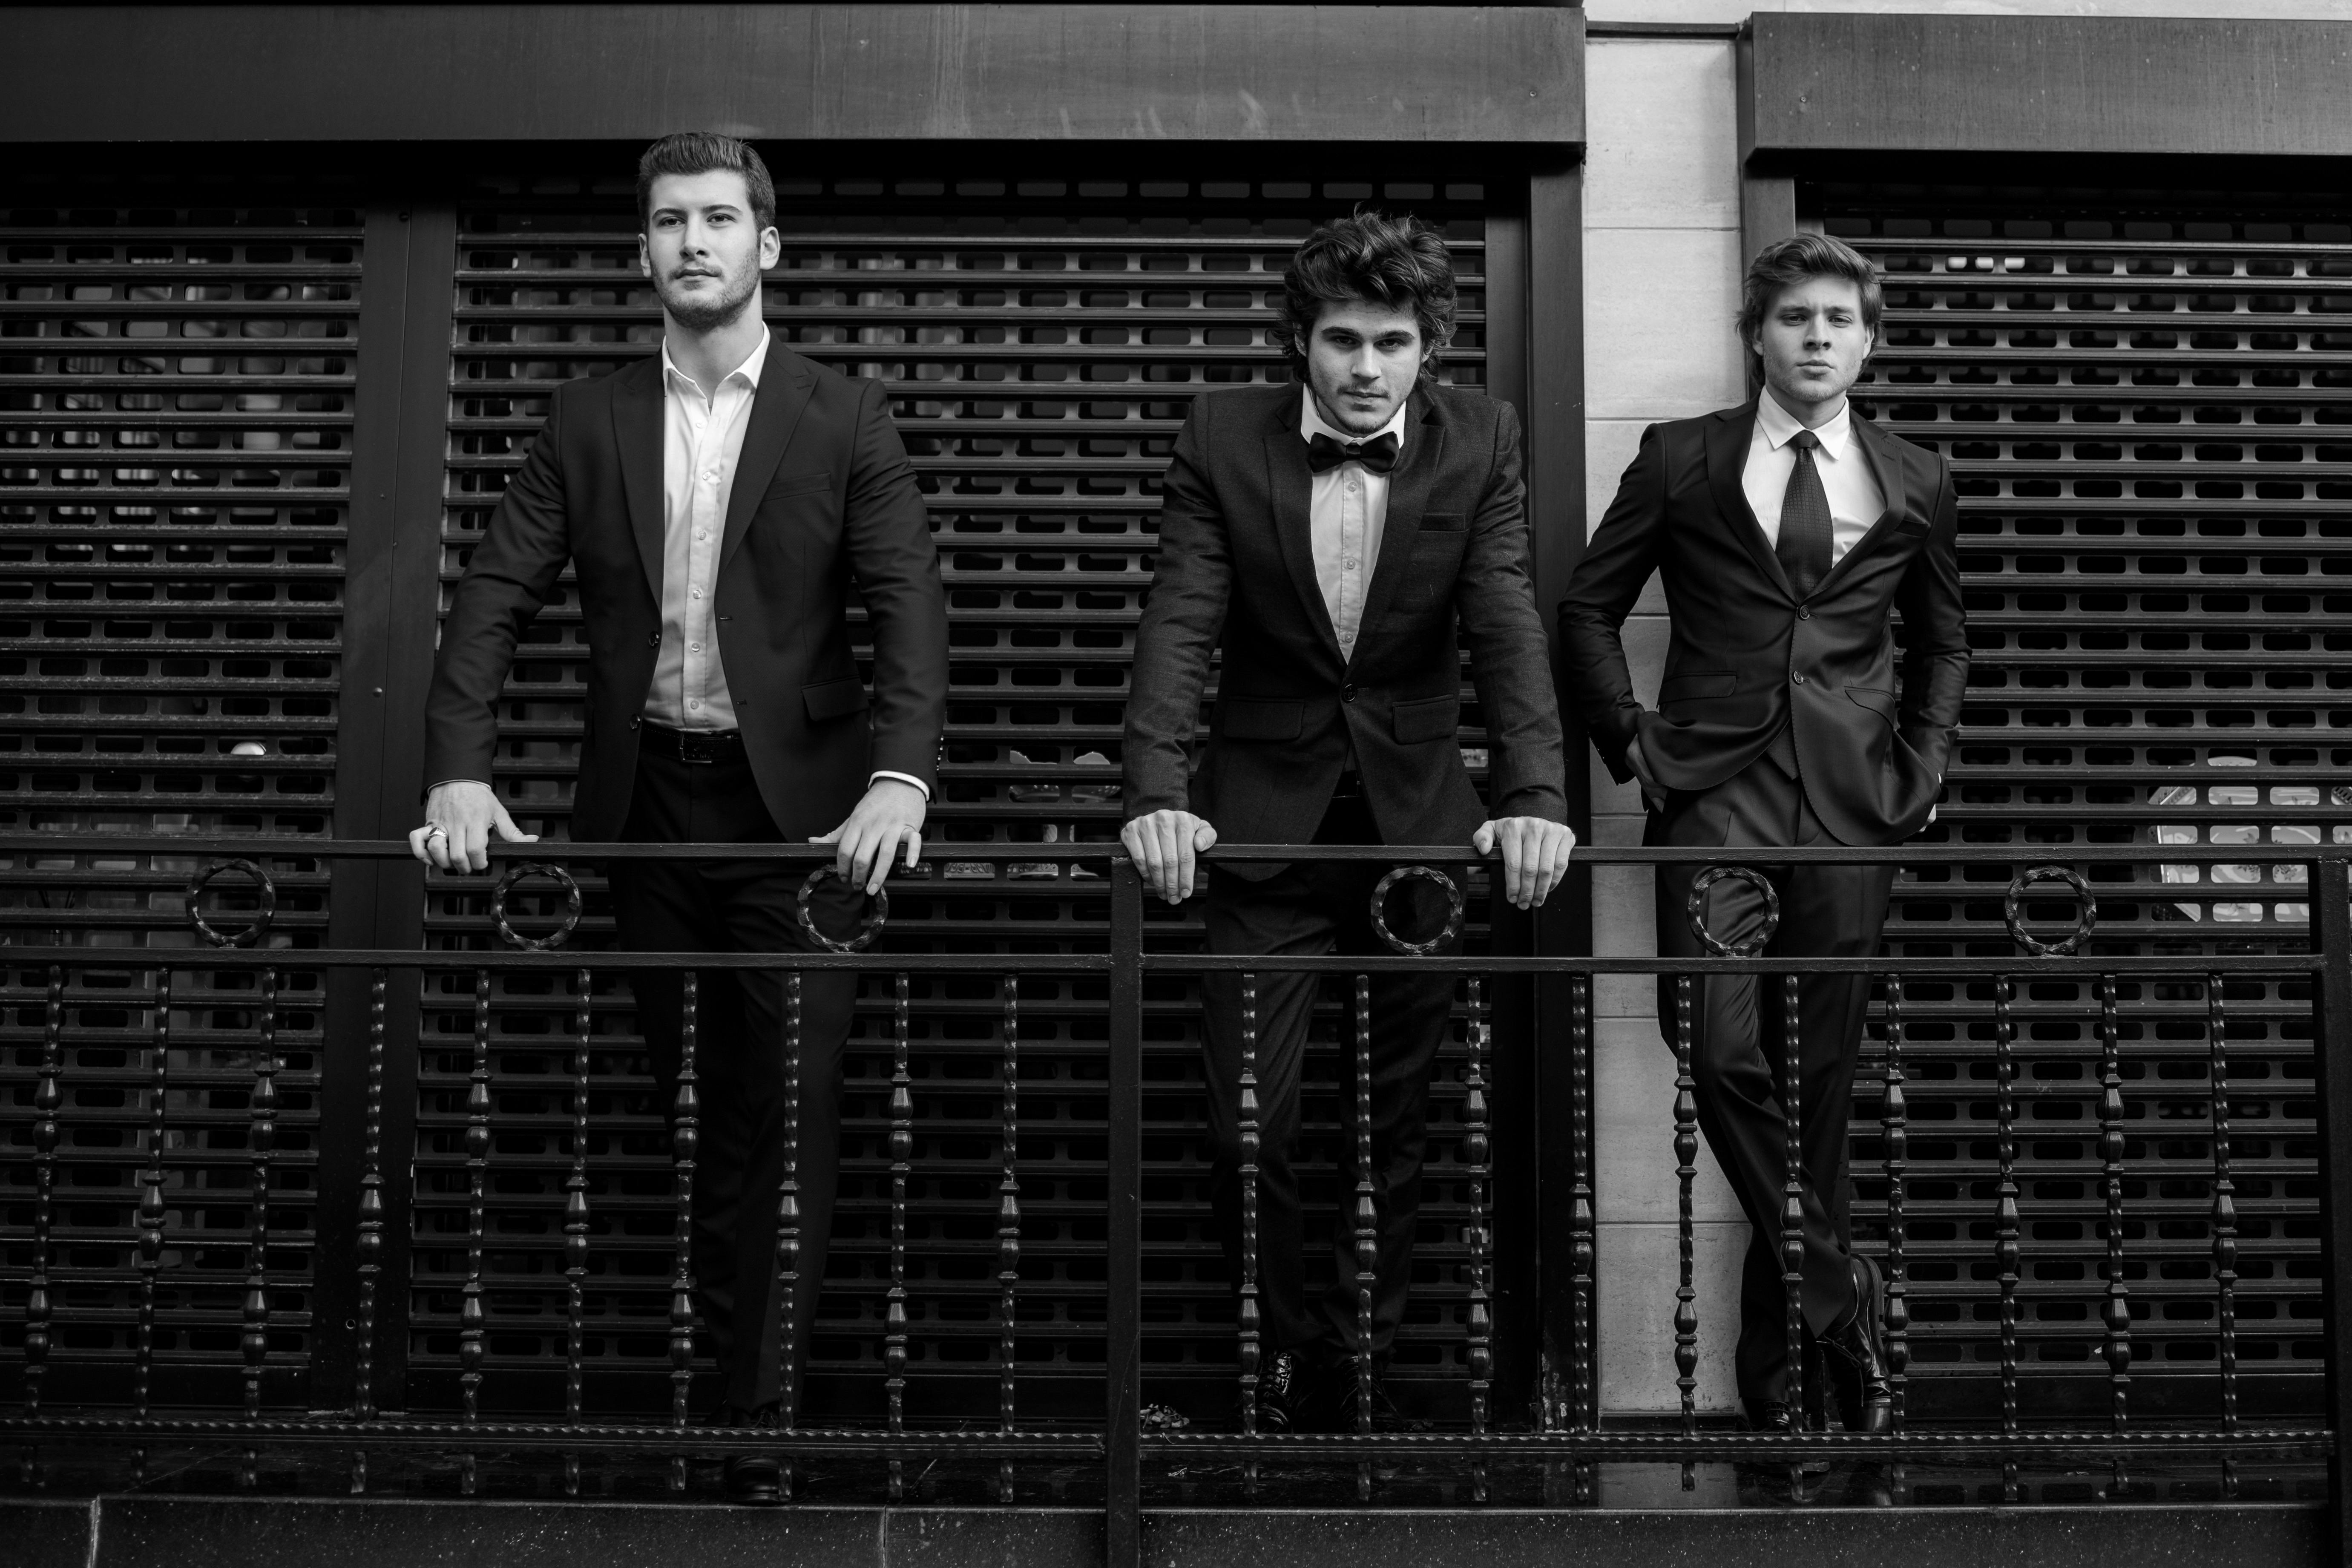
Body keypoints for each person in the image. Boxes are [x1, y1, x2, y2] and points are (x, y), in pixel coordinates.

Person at [410, 132, 948, 1502]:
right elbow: (492, 598)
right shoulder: (584, 420)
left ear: (767, 246)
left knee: (791, 1103)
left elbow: (907, 608)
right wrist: (459, 766)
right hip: (647, 802)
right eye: (668, 222)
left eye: (719, 218)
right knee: (694, 1106)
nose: (693, 241)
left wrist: (901, 776)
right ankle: (717, 1388)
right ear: (641, 251)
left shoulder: (844, 414)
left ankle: (758, 1422)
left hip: (805, 824)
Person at [1122, 211, 1574, 1433]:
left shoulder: (1479, 441)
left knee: (1398, 1131)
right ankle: (1291, 1350)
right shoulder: (1220, 438)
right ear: (1299, 343)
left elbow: (1506, 624)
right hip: (1257, 833)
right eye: (1340, 340)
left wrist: (1533, 798)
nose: (1364, 368)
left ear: (1428, 348)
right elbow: (1179, 623)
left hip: (1415, 837)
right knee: (1244, 1131)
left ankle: (1353, 1371)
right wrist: (1157, 794)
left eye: (1390, 342)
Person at [1557, 232, 1967, 1438]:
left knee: (1820, 1087)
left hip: (1851, 807)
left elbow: (1941, 636)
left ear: (1868, 339)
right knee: (1715, 1038)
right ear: (1758, 334)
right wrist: (1631, 743)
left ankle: (1788, 1382)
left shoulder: (1914, 474)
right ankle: (1842, 1290)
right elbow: (1587, 607)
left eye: (1840, 320)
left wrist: (1923, 763)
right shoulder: (1682, 457)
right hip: (1714, 797)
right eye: (1796, 318)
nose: (1818, 338)